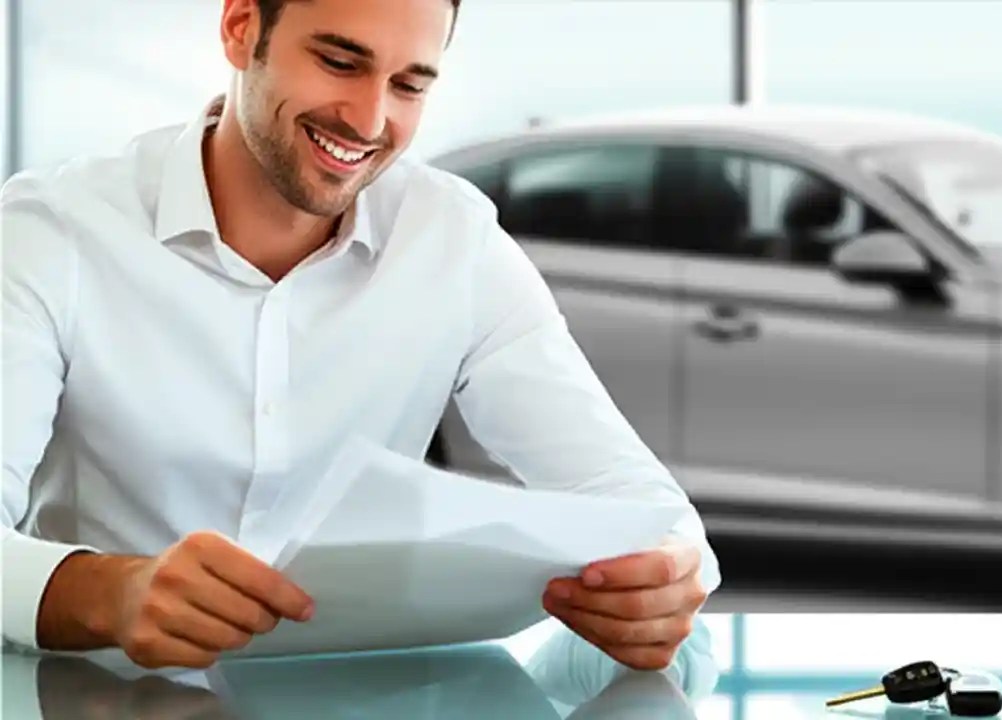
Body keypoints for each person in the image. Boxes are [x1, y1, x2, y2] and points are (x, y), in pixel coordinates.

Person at [1, 0, 719, 671]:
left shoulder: (453, 239)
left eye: (409, 86)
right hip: (89, 697)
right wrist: (110, 593)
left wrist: (665, 578)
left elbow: (643, 508)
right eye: (340, 63)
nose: (370, 120)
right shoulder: (52, 231)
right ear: (241, 27)